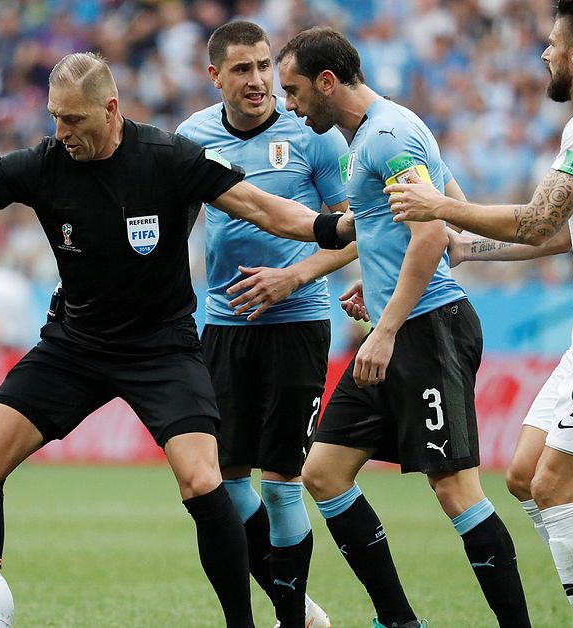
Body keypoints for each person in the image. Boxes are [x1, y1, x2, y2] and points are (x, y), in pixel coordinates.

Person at [0, 52, 354, 628]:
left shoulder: (167, 156)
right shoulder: (42, 164)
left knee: (203, 479)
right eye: (55, 117)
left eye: (73, 120)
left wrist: (334, 227)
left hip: (162, 348)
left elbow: (263, 207)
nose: (61, 131)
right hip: (76, 343)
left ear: (111, 108)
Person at [386, 1, 573, 625]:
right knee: (525, 475)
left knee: (553, 488)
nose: (543, 54)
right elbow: (561, 234)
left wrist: (438, 206)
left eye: (552, 44)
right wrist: (469, 248)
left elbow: (537, 218)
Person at [275, 27, 531, 628]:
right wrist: (384, 282)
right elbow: (429, 223)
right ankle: (399, 620)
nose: (290, 104)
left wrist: (386, 328)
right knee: (324, 472)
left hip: (426, 331)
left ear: (327, 82)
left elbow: (433, 233)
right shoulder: (379, 134)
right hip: (402, 320)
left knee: (455, 491)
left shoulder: (387, 137)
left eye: (294, 90)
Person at [175, 21, 351, 628]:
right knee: (222, 484)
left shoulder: (312, 135)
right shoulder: (191, 137)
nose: (257, 81)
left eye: (263, 67)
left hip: (298, 324)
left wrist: (294, 277)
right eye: (242, 70)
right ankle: (297, 608)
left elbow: (354, 233)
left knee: (282, 486)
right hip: (223, 327)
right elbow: (174, 227)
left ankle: (289, 618)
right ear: (215, 76)